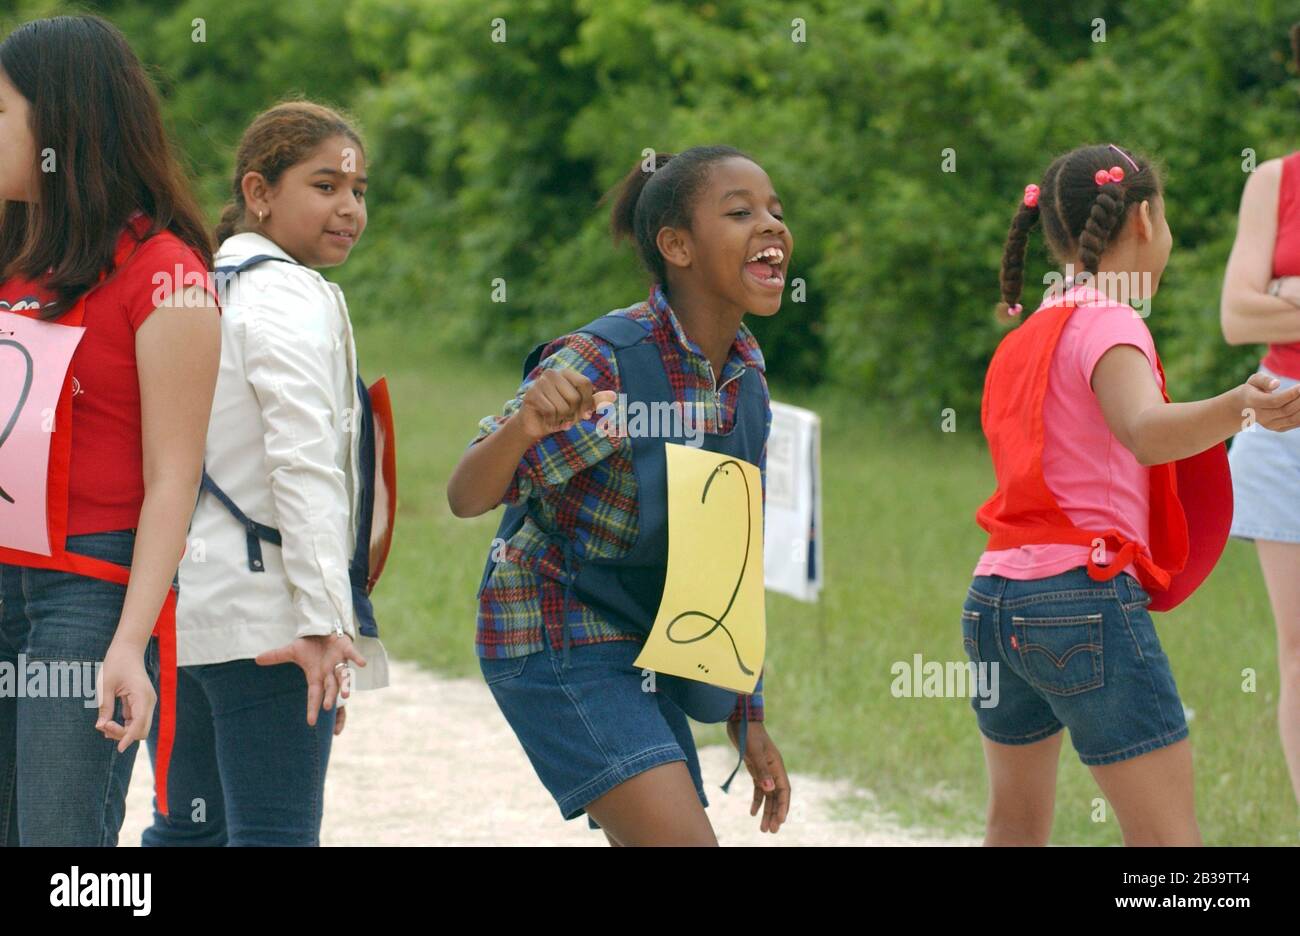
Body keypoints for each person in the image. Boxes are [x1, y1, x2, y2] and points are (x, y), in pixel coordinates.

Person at [448, 146, 792, 845]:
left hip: (642, 637)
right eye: (740, 212)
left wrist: (744, 713)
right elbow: (466, 494)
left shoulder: (745, 382)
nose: (772, 226)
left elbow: (728, 559)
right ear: (676, 246)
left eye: (775, 211)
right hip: (552, 625)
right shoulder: (606, 358)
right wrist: (524, 425)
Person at [964, 143, 1300, 846]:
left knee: (1013, 831)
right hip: (1079, 597)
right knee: (1168, 848)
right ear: (1145, 220)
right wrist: (1242, 404)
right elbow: (1146, 432)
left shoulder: (1027, 333)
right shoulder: (1112, 321)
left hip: (995, 598)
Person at [142, 101, 390, 847]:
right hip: (271, 622)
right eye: (325, 186)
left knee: (187, 833)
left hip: (179, 614)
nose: (349, 208)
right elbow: (304, 462)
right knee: (274, 833)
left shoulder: (189, 283)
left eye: (359, 190)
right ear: (259, 191)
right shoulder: (289, 295)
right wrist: (322, 621)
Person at [0, 14, 220, 846]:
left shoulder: (166, 274)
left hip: (87, 593)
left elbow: (176, 474)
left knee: (60, 844)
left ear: (60, 122)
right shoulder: (12, 252)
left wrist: (130, 642)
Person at [1218, 24, 1300, 808]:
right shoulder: (1274, 182)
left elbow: (1263, 302)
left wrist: (1287, 295)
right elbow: (1236, 318)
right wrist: (1266, 303)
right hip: (1285, 432)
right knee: (1299, 653)